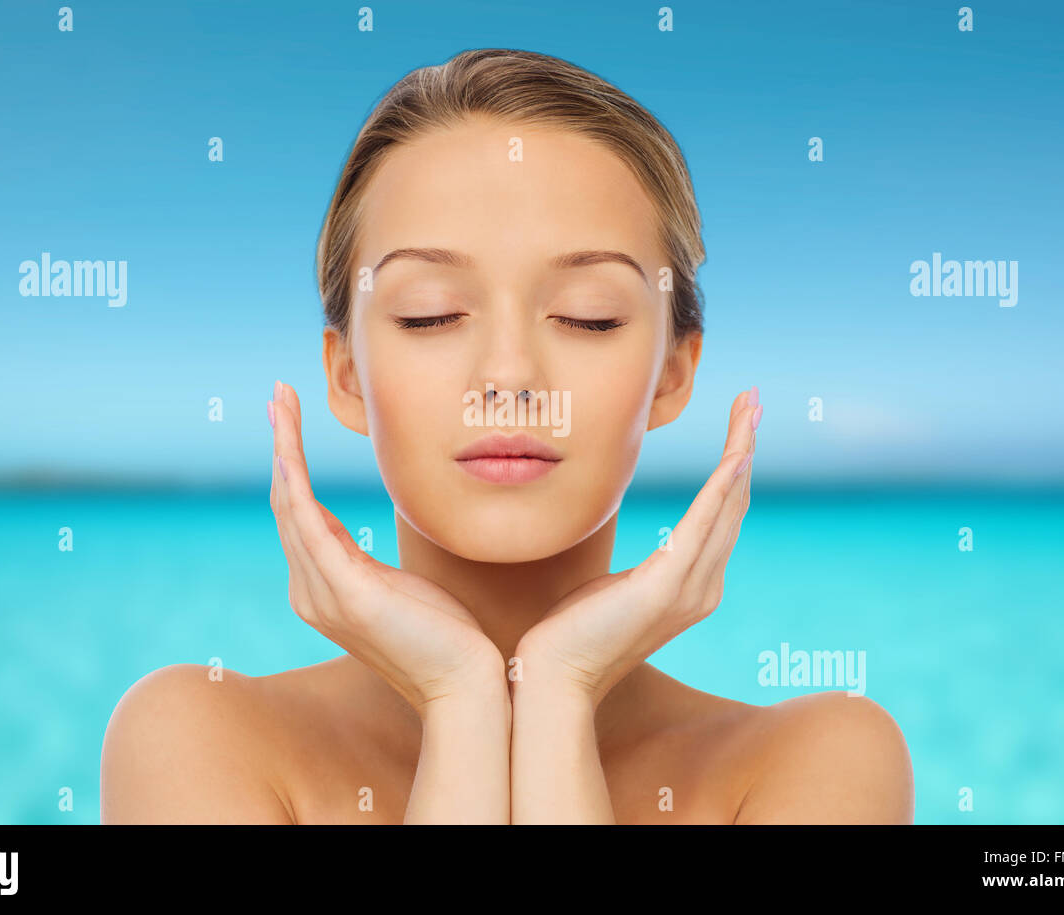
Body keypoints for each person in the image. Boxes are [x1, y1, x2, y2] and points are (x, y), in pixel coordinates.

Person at [101, 49, 914, 824]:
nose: (510, 377)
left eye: (587, 315)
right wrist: (462, 698)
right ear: (345, 372)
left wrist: (560, 690)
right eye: (432, 313)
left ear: (673, 371)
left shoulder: (816, 762)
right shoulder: (197, 738)